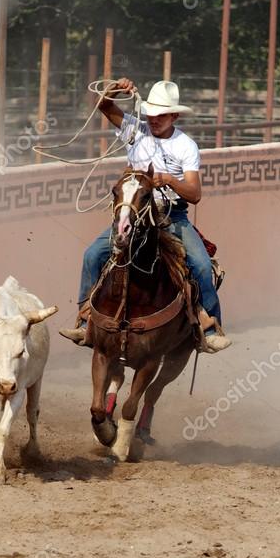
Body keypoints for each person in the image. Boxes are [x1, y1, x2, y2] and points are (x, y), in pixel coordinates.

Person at [60, 77, 231, 352]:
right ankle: (86, 319)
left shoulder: (186, 146)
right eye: (151, 114)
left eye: (161, 115)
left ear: (174, 115)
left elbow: (194, 193)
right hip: (135, 214)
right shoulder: (135, 130)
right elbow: (103, 105)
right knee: (93, 255)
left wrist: (169, 180)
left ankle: (210, 326)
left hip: (171, 217)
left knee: (199, 264)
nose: (154, 119)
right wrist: (117, 87)